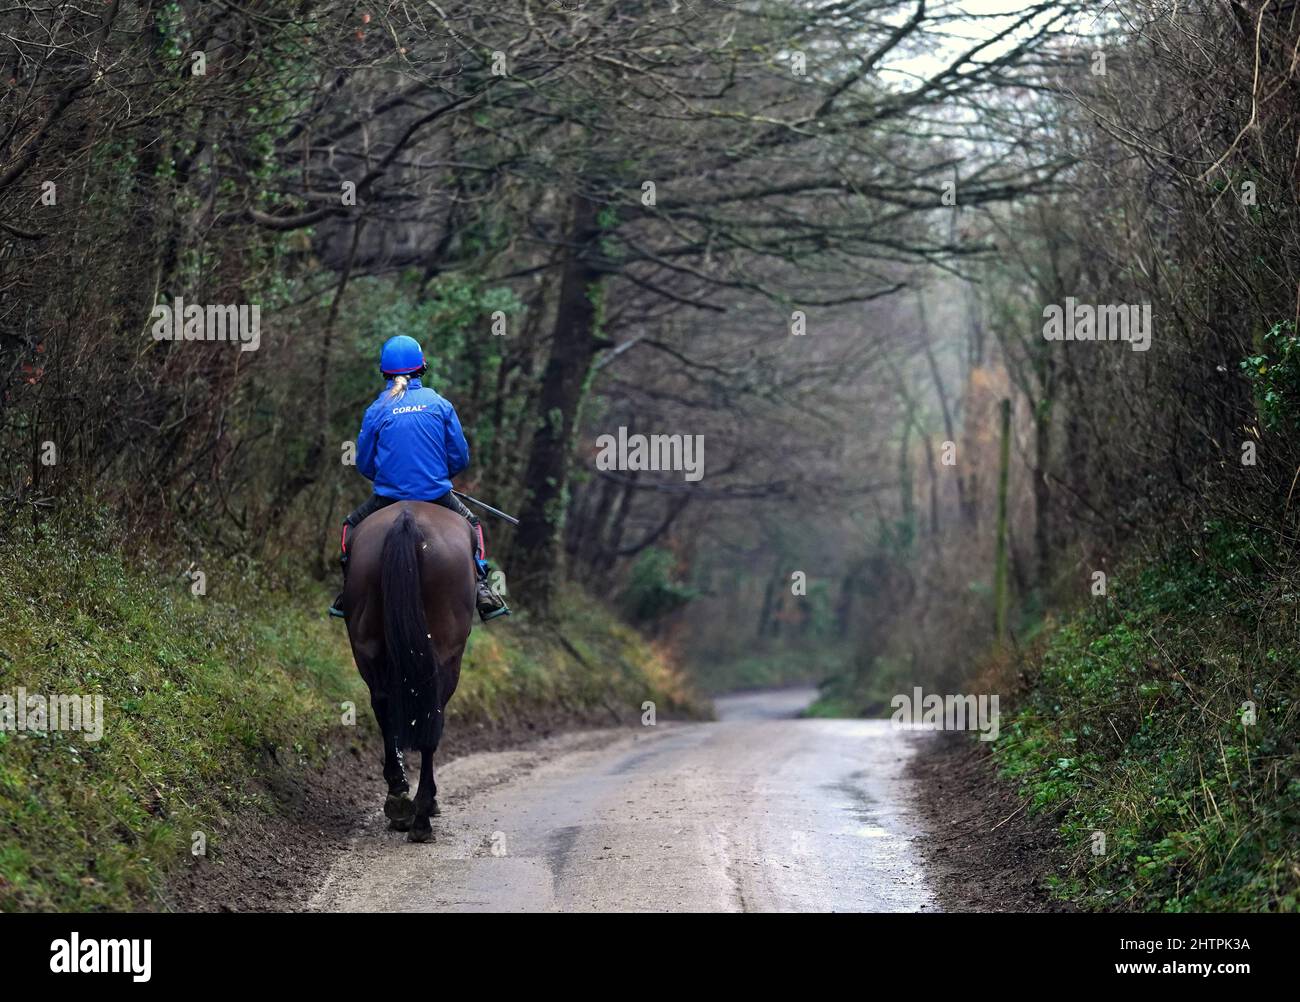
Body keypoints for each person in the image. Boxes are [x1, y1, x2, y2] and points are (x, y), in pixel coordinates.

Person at [328, 334, 510, 622]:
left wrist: (391, 477)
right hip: (436, 493)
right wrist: (435, 475)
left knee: (350, 528)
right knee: (473, 526)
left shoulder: (376, 409)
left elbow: (364, 464)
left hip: (387, 496)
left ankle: (348, 590)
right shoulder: (439, 404)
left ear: (385, 372)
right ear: (421, 368)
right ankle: (482, 588)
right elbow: (460, 457)